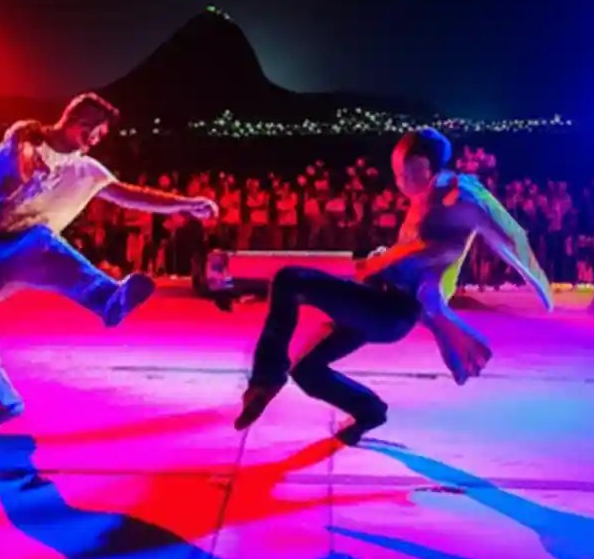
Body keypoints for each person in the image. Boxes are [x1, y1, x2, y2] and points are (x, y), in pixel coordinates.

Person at [233, 128, 552, 444]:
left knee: (290, 280)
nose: (398, 181)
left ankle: (266, 377)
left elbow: (503, 233)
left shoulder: (455, 196)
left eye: (403, 171)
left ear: (422, 166)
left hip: (389, 308)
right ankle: (369, 411)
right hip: (382, 303)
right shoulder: (426, 199)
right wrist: (385, 260)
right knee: (307, 370)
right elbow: (418, 251)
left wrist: (539, 284)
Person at [0, 93, 218, 438]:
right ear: (82, 125)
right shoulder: (27, 136)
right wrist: (28, 168)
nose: (97, 141)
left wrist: (187, 204)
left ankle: (108, 299)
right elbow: (22, 154)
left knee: (40, 240)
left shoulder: (86, 170)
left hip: (21, 246)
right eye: (97, 133)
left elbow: (129, 194)